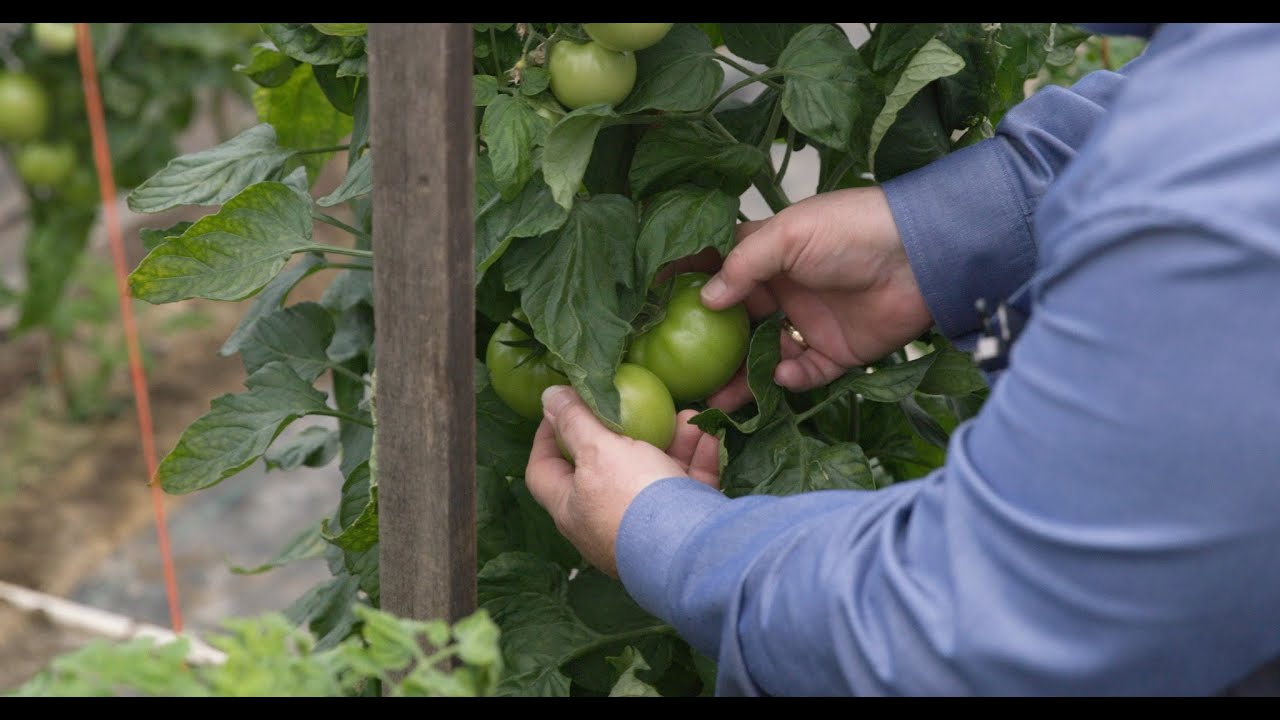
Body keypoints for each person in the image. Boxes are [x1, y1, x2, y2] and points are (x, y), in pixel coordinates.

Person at [524, 23, 1280, 695]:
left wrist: (671, 541)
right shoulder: (1230, 92)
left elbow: (981, 622)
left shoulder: (1222, 205)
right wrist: (939, 237)